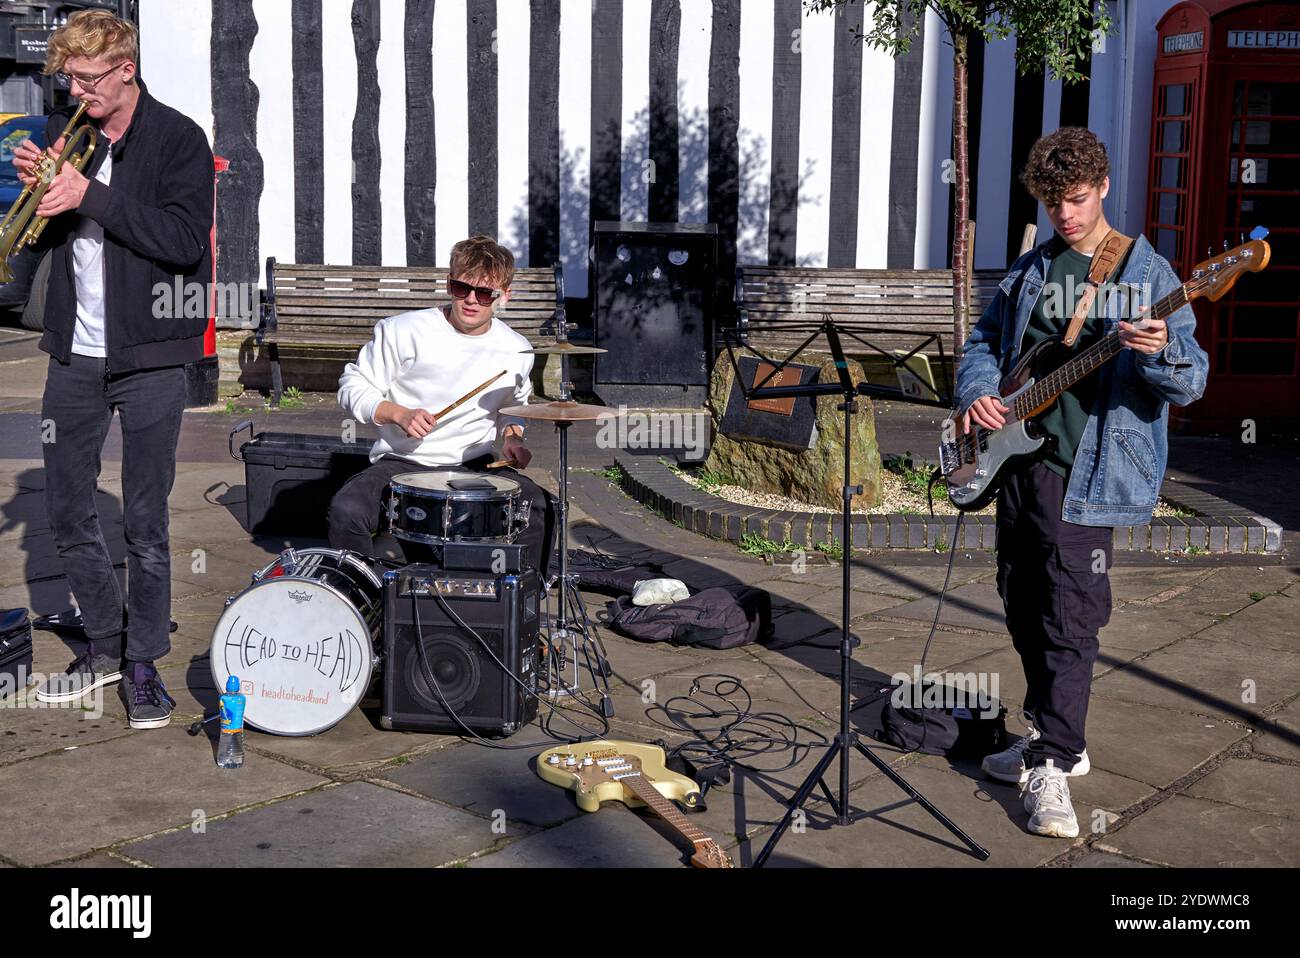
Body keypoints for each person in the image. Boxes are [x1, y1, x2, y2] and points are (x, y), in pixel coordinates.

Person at [954, 127, 1208, 837]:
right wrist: (978, 390)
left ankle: (1055, 768)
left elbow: (1191, 381)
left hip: (1088, 471)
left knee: (1071, 613)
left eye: (1077, 199)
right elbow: (984, 340)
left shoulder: (1146, 271)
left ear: (1101, 188)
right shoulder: (1033, 266)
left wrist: (1159, 352)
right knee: (1021, 599)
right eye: (1052, 201)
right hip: (1016, 458)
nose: (1065, 214)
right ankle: (1053, 734)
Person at [20, 10, 214, 729]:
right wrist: (40, 190)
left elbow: (183, 241)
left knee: (145, 521)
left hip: (151, 357)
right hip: (75, 351)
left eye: (88, 79)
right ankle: (102, 645)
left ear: (127, 69)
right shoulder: (66, 134)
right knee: (67, 509)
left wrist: (89, 193)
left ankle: (143, 661)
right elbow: (51, 243)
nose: (76, 93)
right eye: (67, 79)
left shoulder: (179, 138)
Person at [330, 235, 554, 576]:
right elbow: (352, 385)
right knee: (347, 510)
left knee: (538, 506)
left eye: (484, 294)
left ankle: (520, 604)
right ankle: (364, 597)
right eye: (460, 288)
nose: (471, 301)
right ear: (448, 284)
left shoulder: (516, 349)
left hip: (474, 467)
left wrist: (512, 441)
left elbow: (513, 406)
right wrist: (398, 414)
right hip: (402, 463)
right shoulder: (402, 330)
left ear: (503, 296)